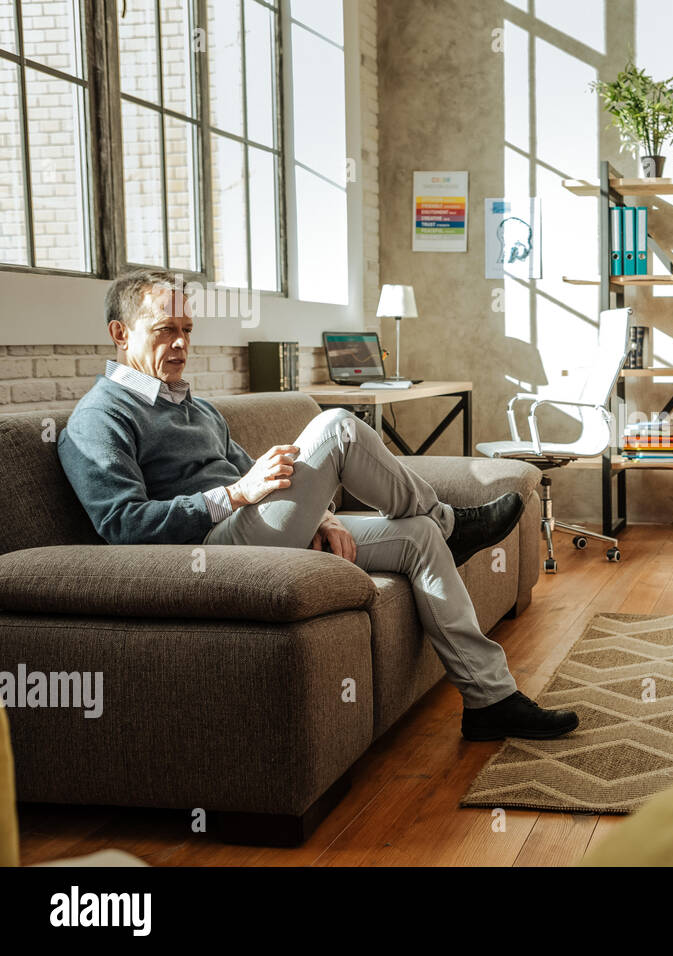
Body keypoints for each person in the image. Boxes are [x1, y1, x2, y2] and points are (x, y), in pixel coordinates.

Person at [57, 269, 579, 742]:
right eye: (165, 329)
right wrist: (237, 495)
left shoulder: (195, 406)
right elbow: (123, 526)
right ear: (120, 333)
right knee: (337, 426)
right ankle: (450, 521)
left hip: (251, 530)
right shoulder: (99, 419)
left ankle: (490, 700)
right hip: (204, 554)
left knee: (415, 538)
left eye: (187, 330)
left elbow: (259, 470)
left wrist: (320, 517)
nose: (180, 343)